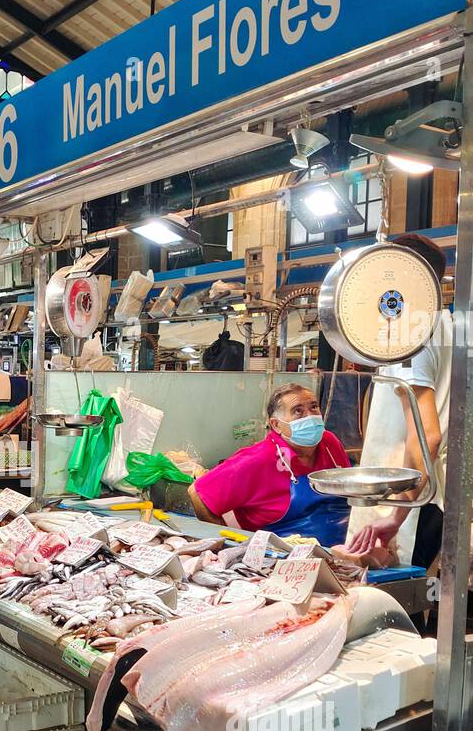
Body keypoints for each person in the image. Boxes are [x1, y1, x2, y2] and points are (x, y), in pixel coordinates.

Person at [346, 234, 451, 569]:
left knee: (385, 607)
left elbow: (426, 437)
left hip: (412, 502)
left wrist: (396, 515)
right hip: (435, 497)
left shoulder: (410, 336)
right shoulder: (448, 326)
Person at [188, 382, 352, 547]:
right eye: (298, 411)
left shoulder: (329, 442)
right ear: (276, 425)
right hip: (283, 559)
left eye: (314, 407)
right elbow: (197, 492)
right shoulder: (257, 459)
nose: (310, 416)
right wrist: (226, 545)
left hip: (345, 550)